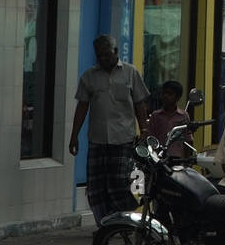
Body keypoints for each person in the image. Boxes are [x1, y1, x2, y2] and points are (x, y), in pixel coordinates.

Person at [70, 35, 151, 223]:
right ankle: (105, 223)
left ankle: (125, 219)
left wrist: (145, 130)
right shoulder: (89, 77)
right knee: (96, 185)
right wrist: (74, 136)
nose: (104, 59)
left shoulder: (131, 73)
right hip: (97, 139)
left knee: (119, 182)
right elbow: (82, 107)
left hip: (123, 138)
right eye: (100, 56)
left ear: (115, 52)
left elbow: (140, 103)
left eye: (107, 55)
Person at [147, 80, 189, 158]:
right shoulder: (156, 116)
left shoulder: (183, 116)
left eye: (170, 94)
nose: (165, 96)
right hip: (159, 157)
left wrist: (187, 160)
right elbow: (150, 138)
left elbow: (188, 139)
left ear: (178, 97)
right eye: (164, 93)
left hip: (177, 158)